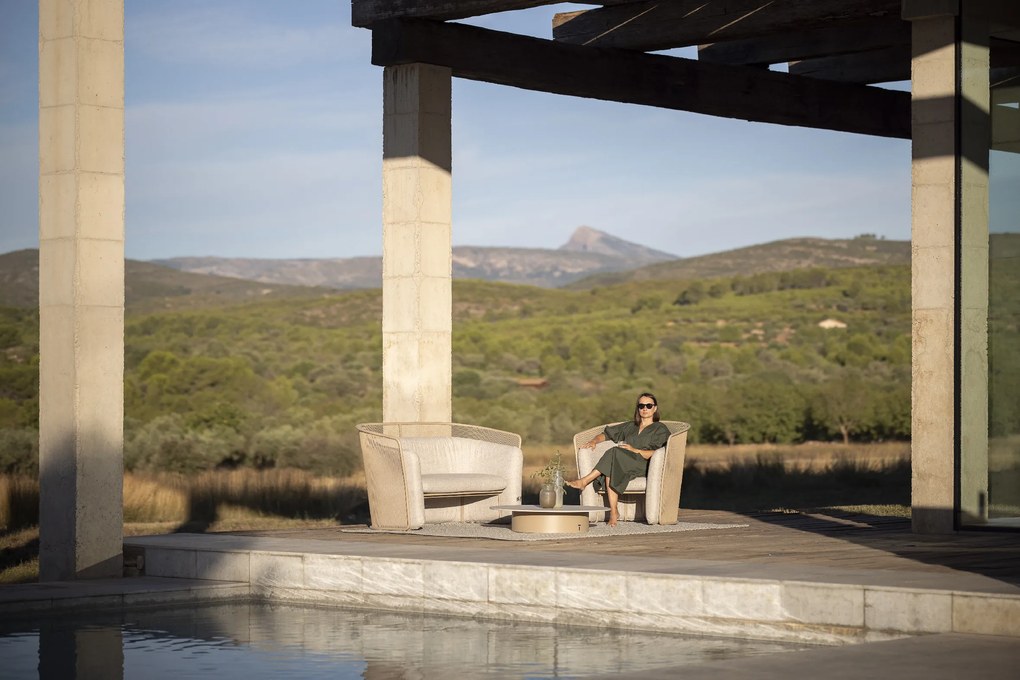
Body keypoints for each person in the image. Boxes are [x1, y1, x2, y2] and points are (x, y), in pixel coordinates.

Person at [567, 392, 671, 527]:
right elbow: (606, 434)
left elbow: (661, 452)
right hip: (624, 462)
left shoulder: (660, 428)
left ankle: (585, 480)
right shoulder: (631, 426)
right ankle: (613, 512)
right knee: (613, 462)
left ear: (655, 408)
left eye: (648, 405)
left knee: (615, 452)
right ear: (638, 408)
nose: (644, 408)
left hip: (645, 464)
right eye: (641, 405)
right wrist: (593, 441)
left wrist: (636, 450)